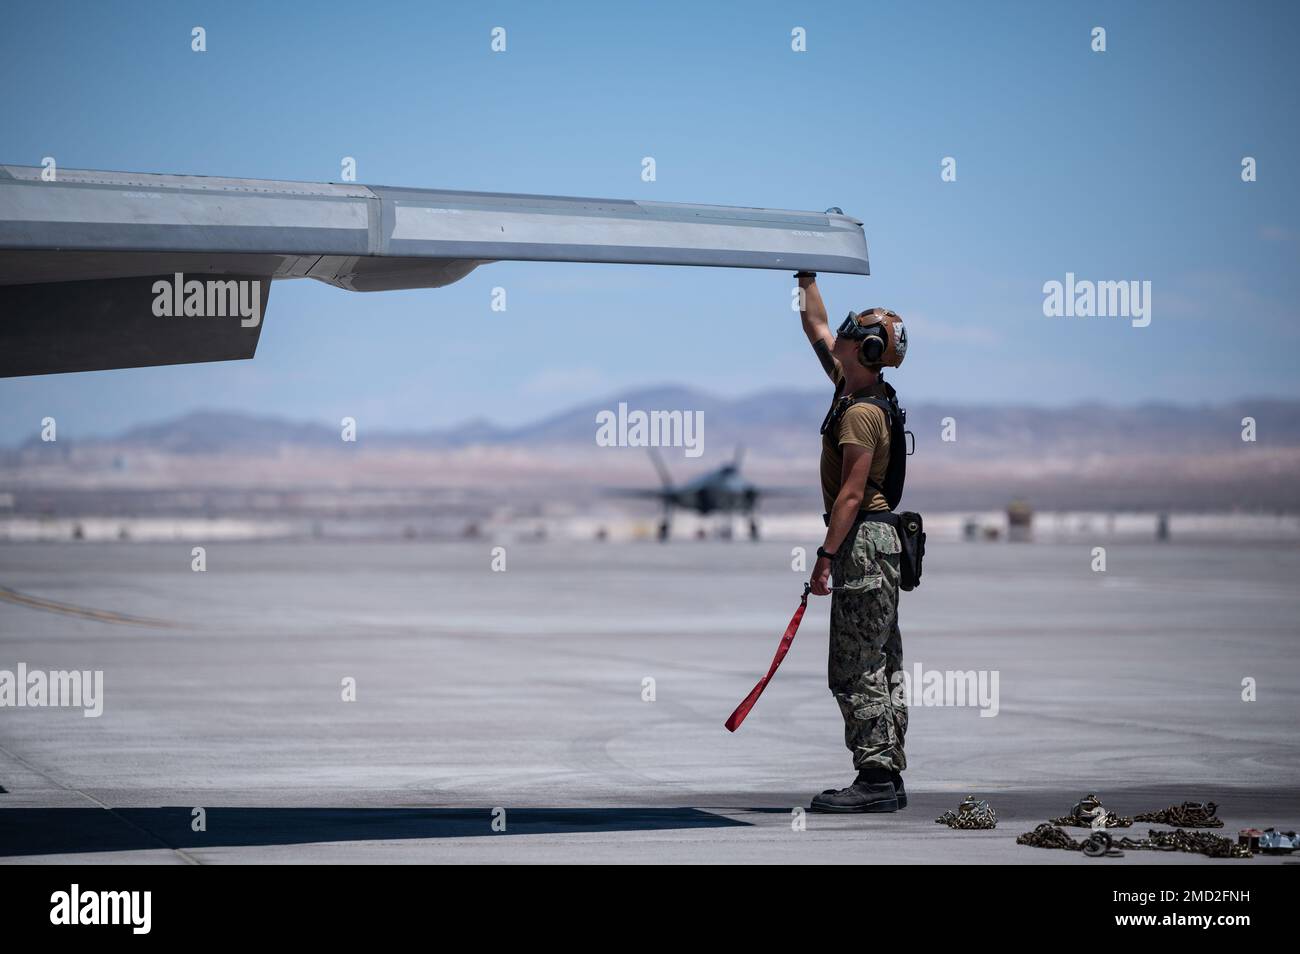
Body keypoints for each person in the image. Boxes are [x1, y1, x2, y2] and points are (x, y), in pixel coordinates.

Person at [795, 270, 910, 813]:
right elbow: (814, 323)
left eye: (848, 334)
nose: (835, 337)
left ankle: (875, 779)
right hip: (876, 544)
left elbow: (851, 495)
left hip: (863, 541)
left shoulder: (862, 413)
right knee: (882, 660)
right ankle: (888, 769)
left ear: (865, 350)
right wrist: (806, 275)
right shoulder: (855, 387)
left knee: (855, 664)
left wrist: (825, 557)